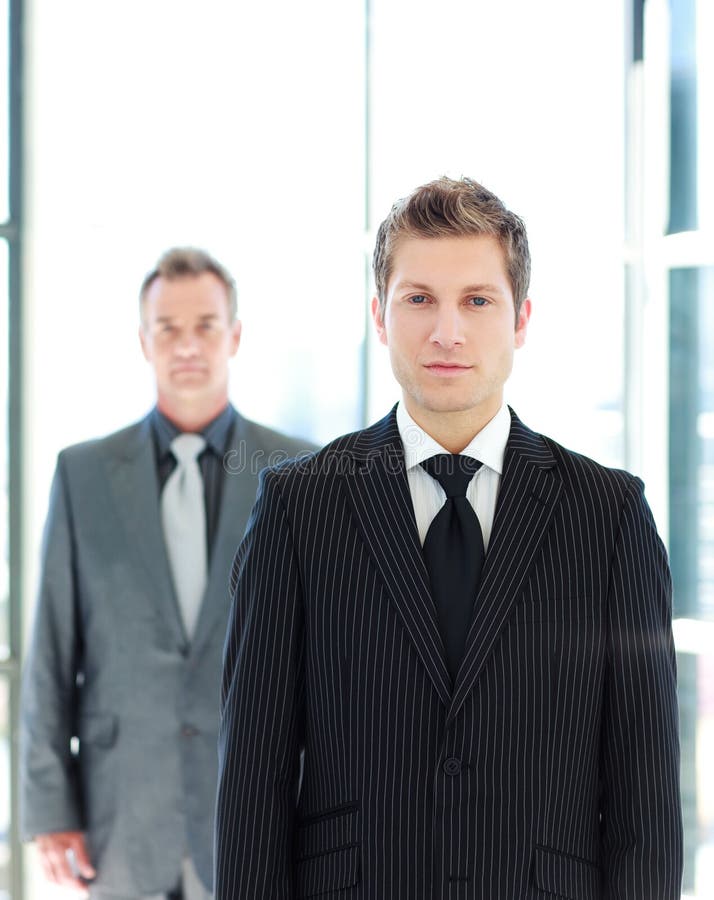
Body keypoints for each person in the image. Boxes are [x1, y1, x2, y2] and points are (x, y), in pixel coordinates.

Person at [214, 178, 683, 899]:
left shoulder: (609, 517)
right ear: (379, 314)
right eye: (419, 298)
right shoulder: (298, 507)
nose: (447, 332)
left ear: (521, 318)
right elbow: (253, 777)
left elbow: (644, 796)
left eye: (477, 300)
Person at [20, 247, 315, 900]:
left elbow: (331, 665)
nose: (188, 345)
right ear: (143, 341)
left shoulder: (299, 473)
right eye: (169, 328)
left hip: (259, 814)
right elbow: (51, 650)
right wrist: (48, 807)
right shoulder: (84, 474)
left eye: (206, 325)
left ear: (234, 335)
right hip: (122, 813)